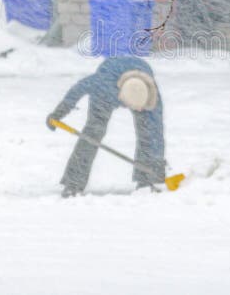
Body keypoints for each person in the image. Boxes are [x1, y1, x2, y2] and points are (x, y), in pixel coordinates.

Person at [46, 56, 164, 197]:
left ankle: (147, 180)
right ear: (121, 98)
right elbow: (76, 92)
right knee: (92, 133)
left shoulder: (152, 95)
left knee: (149, 133)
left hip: (138, 84)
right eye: (134, 107)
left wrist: (157, 168)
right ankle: (74, 183)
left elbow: (156, 134)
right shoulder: (102, 85)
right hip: (107, 91)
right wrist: (58, 113)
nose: (138, 111)